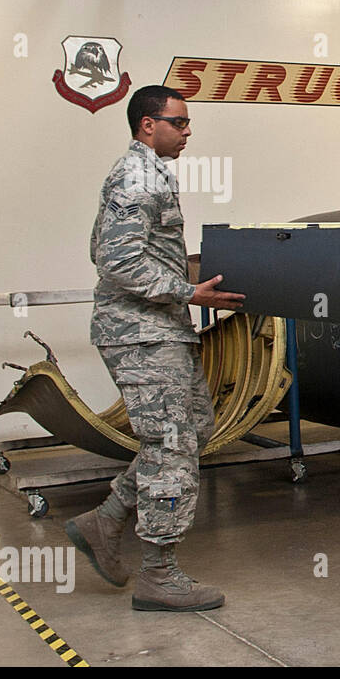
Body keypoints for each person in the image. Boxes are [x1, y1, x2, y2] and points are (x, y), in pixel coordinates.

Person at [65, 85, 244, 611]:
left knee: (195, 430)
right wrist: (188, 290)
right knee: (171, 445)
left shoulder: (151, 173)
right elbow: (115, 262)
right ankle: (158, 574)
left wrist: (198, 277)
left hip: (163, 328)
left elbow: (113, 247)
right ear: (148, 124)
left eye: (188, 124)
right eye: (179, 123)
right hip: (140, 334)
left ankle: (107, 518)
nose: (188, 132)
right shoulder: (136, 176)